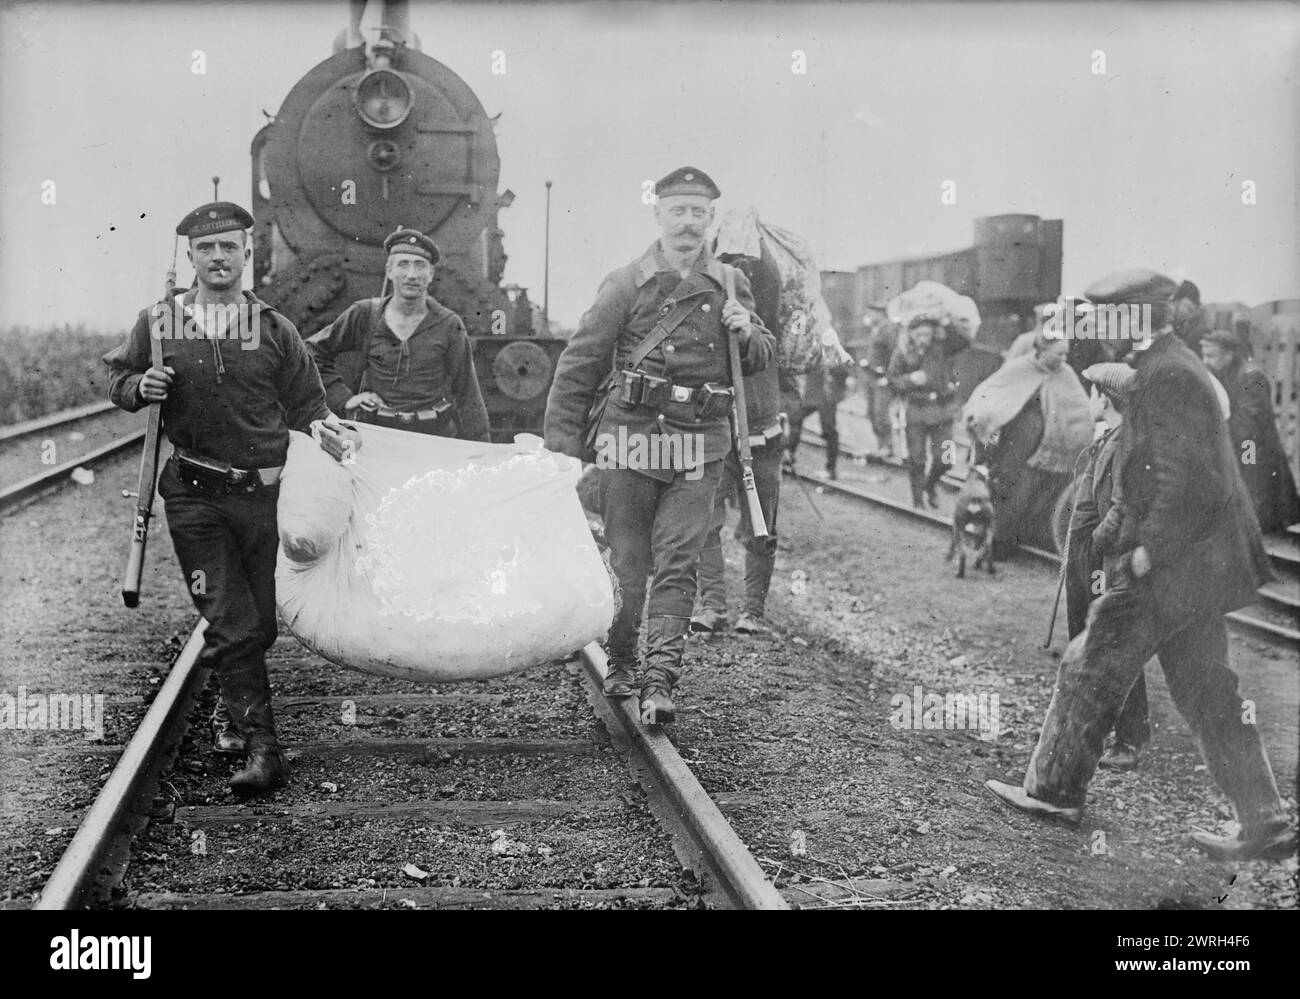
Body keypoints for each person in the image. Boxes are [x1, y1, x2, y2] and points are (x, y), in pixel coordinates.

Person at [986, 279, 1294, 862]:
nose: (1097, 330)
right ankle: (1266, 820)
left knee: (1089, 662)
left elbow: (1185, 475)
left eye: (1105, 319)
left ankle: (1053, 791)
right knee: (1208, 690)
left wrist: (1149, 546)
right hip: (1199, 565)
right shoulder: (1167, 365)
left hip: (1174, 564)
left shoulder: (1169, 374)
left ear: (1133, 318)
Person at [103, 201, 359, 795]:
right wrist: (141, 385)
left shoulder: (273, 328)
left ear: (247, 253)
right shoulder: (159, 323)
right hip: (194, 497)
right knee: (232, 620)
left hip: (265, 499)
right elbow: (117, 378)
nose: (217, 258)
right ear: (190, 258)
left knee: (261, 622)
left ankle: (232, 701)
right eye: (205, 249)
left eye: (228, 248)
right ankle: (263, 749)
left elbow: (309, 407)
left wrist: (330, 432)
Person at [542, 167, 775, 725]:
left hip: (699, 443)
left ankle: (660, 680)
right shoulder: (626, 282)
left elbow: (764, 354)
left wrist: (746, 333)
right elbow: (579, 365)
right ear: (658, 215)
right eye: (678, 211)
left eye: (699, 212)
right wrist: (562, 450)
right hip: (632, 441)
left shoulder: (731, 284)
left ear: (711, 219)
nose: (688, 222)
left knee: (680, 561)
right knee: (628, 561)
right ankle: (622, 656)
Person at [306, 228, 491, 442]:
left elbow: (468, 394)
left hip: (431, 440)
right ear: (389, 270)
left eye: (420, 265)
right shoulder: (365, 314)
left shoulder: (449, 325)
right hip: (375, 439)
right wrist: (344, 399)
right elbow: (311, 352)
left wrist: (482, 451)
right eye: (403, 264)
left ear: (430, 274)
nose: (411, 275)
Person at [692, 215, 784, 638]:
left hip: (762, 436)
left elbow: (766, 346)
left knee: (760, 527)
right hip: (717, 435)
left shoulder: (762, 322)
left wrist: (746, 331)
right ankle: (712, 606)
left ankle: (754, 611)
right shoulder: (705, 307)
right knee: (706, 521)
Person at [1063, 364, 1148, 770]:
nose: (1089, 398)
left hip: (1107, 560)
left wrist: (1093, 545)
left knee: (1113, 645)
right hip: (1092, 559)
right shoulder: (1110, 437)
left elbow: (1121, 507)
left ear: (1105, 398)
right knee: (1095, 641)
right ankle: (1098, 730)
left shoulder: (1123, 444)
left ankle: (1129, 741)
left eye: (1092, 391)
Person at [963, 331, 1093, 555]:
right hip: (1016, 446)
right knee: (1011, 491)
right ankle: (997, 543)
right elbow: (992, 393)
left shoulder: (1065, 374)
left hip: (1050, 448)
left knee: (1037, 495)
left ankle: (1021, 538)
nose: (1063, 359)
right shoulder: (1020, 368)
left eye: (1066, 355)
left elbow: (1079, 409)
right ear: (1042, 350)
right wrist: (982, 418)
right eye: (1059, 354)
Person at [1200, 328, 1300, 533]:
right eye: (1204, 355)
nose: (1205, 361)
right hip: (1239, 442)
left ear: (1228, 355)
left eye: (1211, 355)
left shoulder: (1250, 377)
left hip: (1252, 446)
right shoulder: (1224, 373)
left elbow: (1248, 425)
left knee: (1252, 486)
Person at [887, 315, 962, 509]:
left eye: (927, 334)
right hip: (916, 411)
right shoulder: (902, 352)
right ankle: (918, 501)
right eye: (919, 334)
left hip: (942, 411)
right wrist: (910, 379)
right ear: (911, 334)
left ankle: (930, 486)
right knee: (917, 459)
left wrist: (945, 320)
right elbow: (892, 380)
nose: (923, 338)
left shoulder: (943, 348)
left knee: (946, 459)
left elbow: (962, 340)